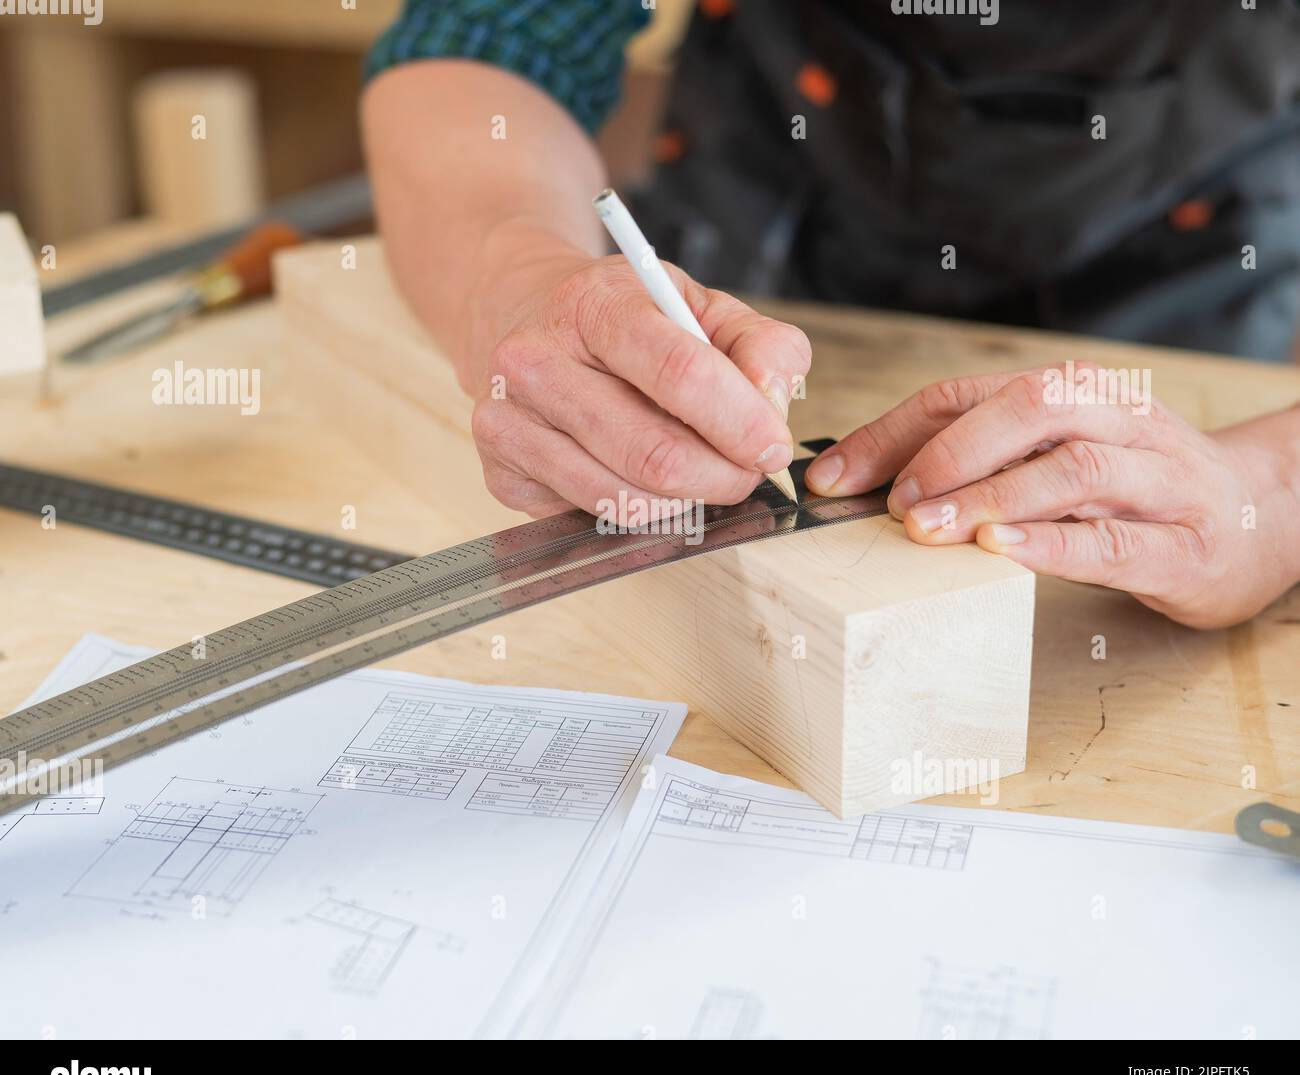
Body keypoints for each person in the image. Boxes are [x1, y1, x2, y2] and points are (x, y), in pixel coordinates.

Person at [360, 0, 1300, 629]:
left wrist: (1264, 492)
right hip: (771, 223)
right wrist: (518, 279)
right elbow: (482, 40)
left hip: (1189, 277)